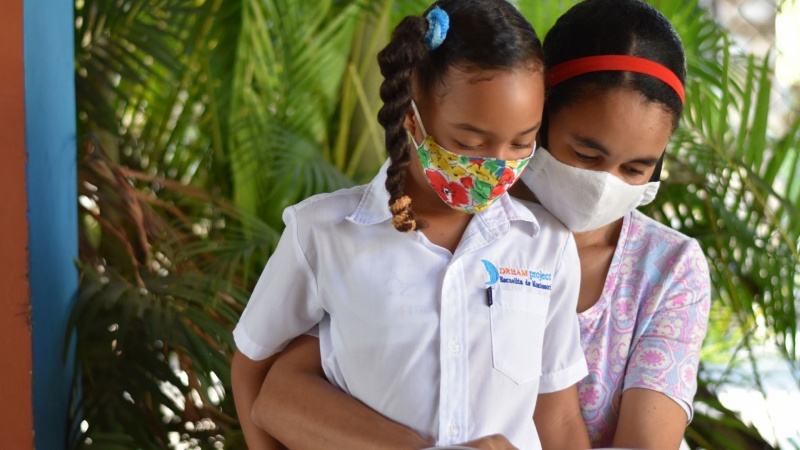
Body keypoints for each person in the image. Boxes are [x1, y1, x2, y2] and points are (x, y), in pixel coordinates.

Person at [247, 0, 712, 449]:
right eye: (587, 155)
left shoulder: (604, 258)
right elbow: (280, 384)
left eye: (634, 169)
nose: (603, 185)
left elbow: (566, 418)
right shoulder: (337, 232)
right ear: (544, 118)